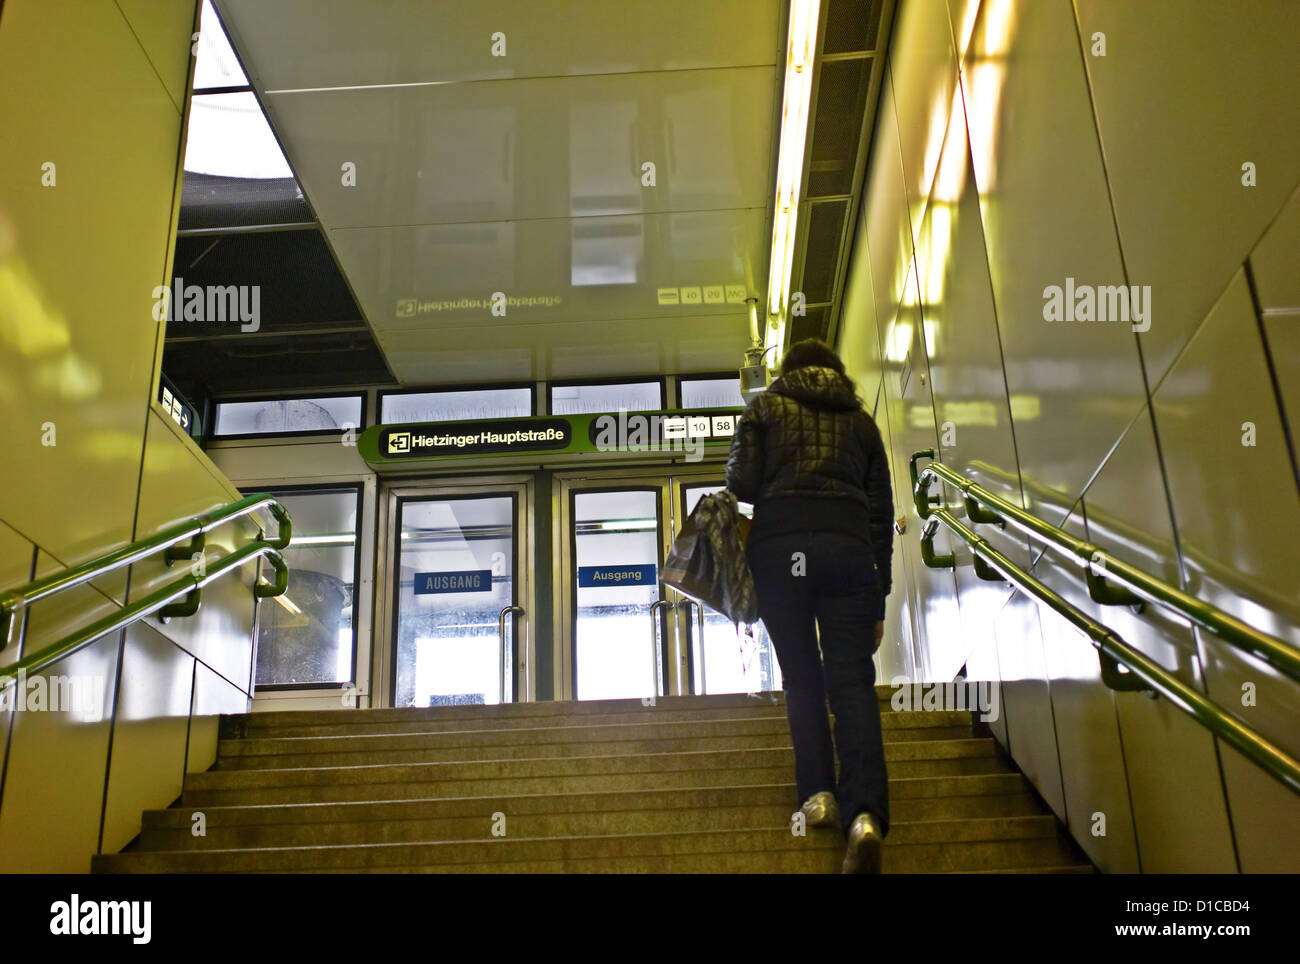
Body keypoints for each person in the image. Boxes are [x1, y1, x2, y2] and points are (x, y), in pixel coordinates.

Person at [725, 337, 894, 874]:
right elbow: (881, 514)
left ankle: (818, 794)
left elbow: (740, 481)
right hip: (849, 554)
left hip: (782, 553)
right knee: (851, 681)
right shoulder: (861, 423)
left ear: (788, 372)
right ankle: (864, 815)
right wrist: (880, 595)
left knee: (802, 676)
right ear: (836, 373)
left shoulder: (765, 408)